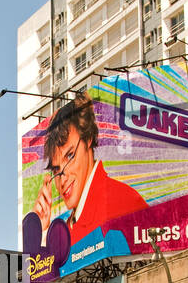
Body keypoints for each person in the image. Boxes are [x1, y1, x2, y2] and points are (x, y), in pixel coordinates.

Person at [31, 94, 148, 247]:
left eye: (70, 155)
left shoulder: (121, 202)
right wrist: (42, 232)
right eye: (56, 169)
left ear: (88, 139)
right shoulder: (69, 223)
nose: (62, 178)